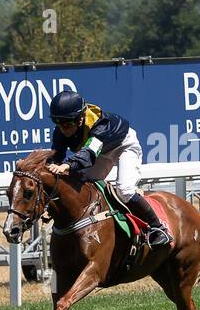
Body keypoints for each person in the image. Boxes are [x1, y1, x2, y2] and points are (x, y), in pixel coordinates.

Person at [46, 90, 172, 247]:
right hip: (102, 152)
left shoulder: (100, 124)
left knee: (125, 190)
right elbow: (55, 154)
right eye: (58, 124)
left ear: (80, 119)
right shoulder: (61, 129)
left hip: (124, 145)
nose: (63, 129)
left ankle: (158, 228)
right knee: (79, 182)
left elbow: (89, 153)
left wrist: (67, 165)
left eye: (67, 124)